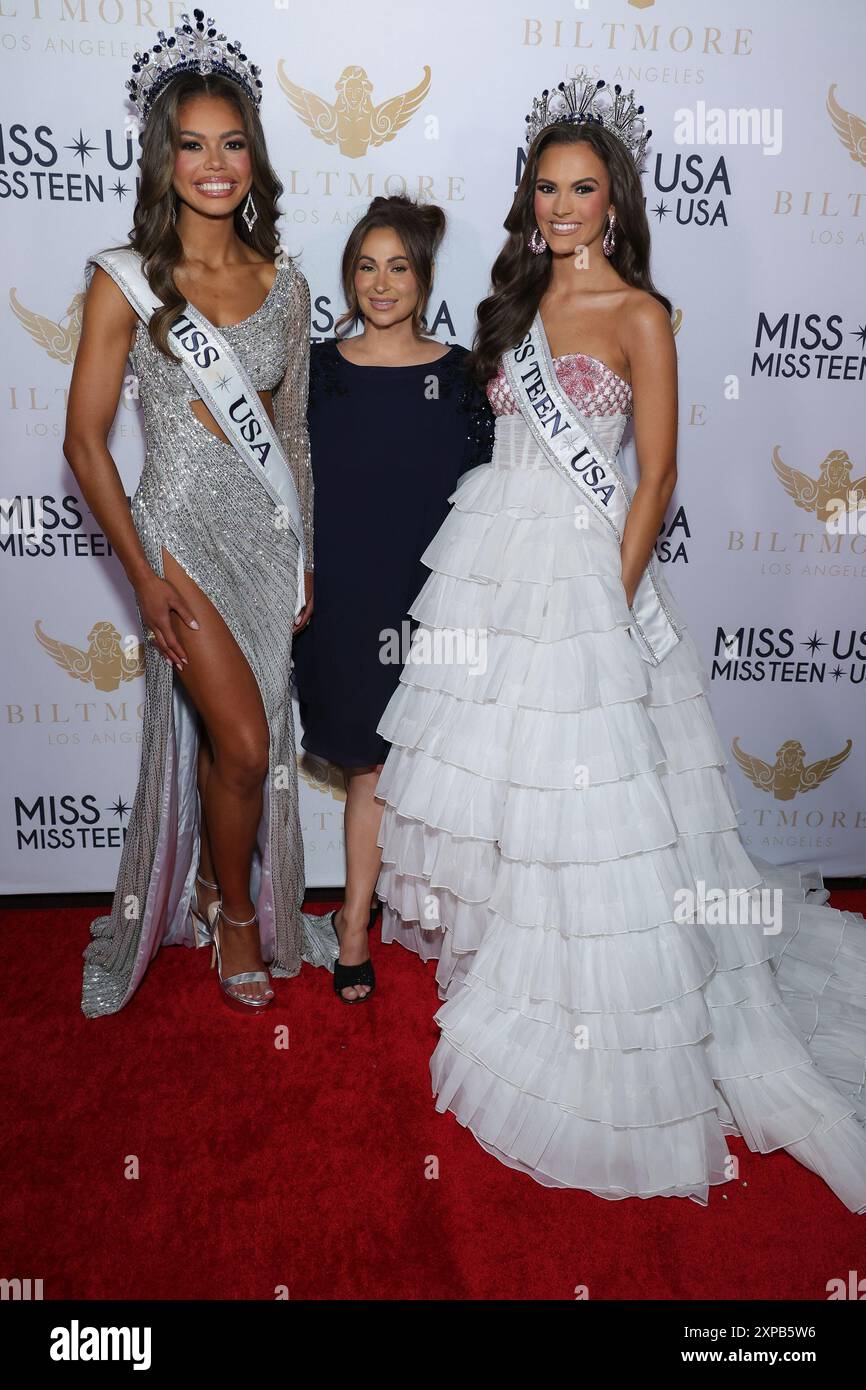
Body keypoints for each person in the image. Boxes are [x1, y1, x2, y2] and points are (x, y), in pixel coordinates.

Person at [373, 77, 866, 1210]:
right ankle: (504, 945)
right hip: (495, 554)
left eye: (581, 189)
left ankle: (594, 990)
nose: (560, 207)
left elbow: (659, 473)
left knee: (590, 784)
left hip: (588, 569)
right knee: (501, 766)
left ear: (613, 201)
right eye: (545, 188)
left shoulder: (640, 314)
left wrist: (613, 590)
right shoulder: (511, 302)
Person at [64, 11, 337, 1017]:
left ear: (253, 158)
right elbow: (83, 441)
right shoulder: (125, 281)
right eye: (193, 145)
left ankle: (220, 887)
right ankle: (236, 920)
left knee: (241, 748)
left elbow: (292, 433)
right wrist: (140, 575)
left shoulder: (285, 283)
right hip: (177, 537)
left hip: (265, 542)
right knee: (249, 745)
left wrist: (304, 554)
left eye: (232, 144)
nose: (214, 165)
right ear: (164, 159)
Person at [293, 195, 495, 1002]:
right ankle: (353, 927)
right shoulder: (316, 371)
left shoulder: (464, 377)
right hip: (345, 601)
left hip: (439, 604)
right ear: (349, 278)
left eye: (398, 267)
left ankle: (474, 933)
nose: (381, 284)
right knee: (372, 769)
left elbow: (489, 496)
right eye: (366, 268)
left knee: (454, 770)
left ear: (425, 278)